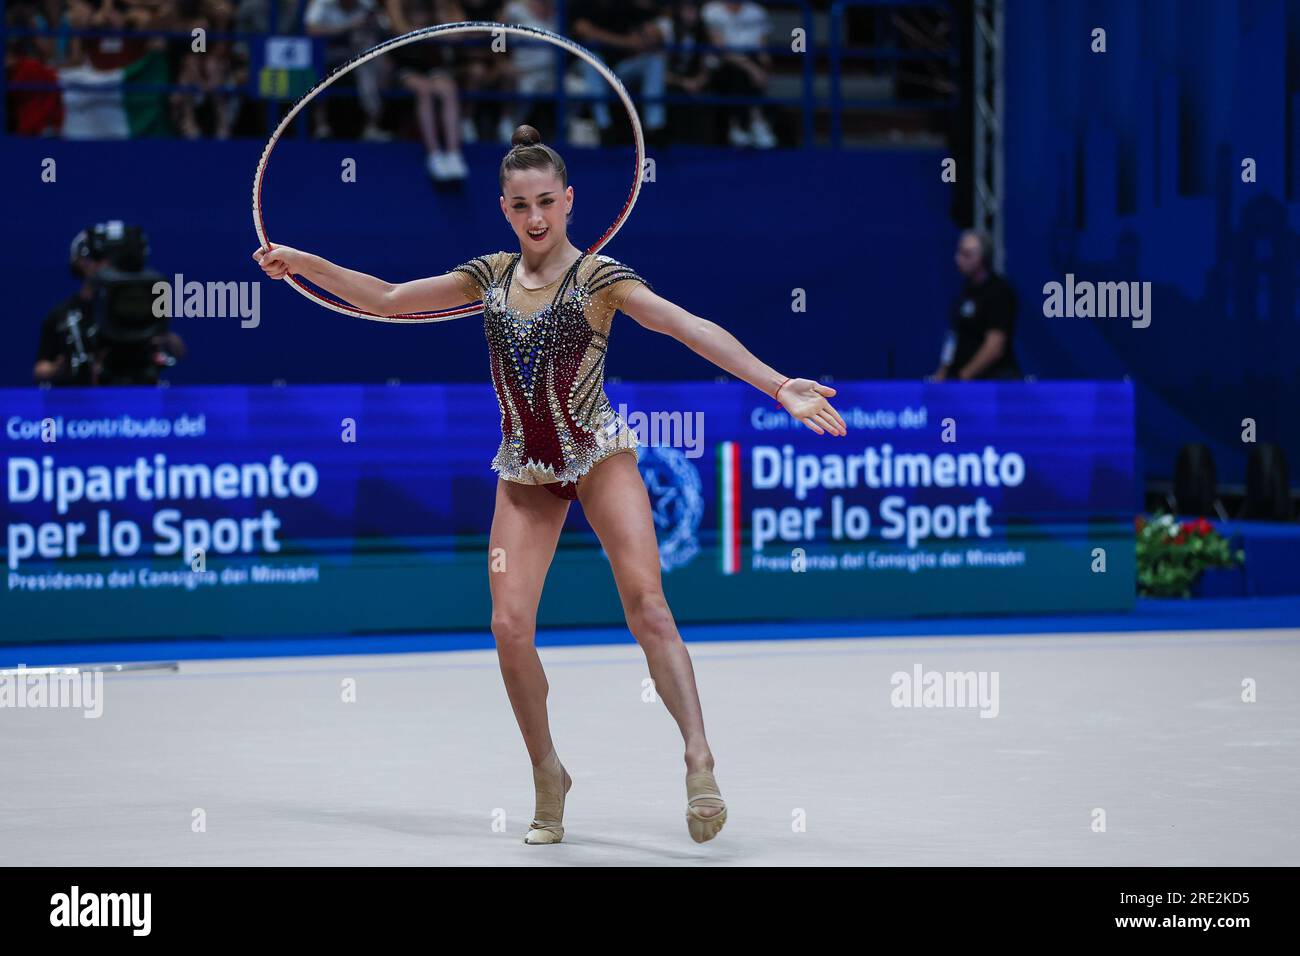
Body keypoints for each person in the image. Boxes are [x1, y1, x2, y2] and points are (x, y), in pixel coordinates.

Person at [252, 124, 847, 845]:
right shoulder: (488, 277)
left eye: (546, 203)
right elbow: (385, 298)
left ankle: (698, 759)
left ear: (569, 201)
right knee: (508, 627)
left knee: (648, 605)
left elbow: (689, 328)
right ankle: (547, 773)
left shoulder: (600, 278)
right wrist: (302, 261)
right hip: (526, 471)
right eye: (520, 206)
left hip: (597, 455)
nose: (535, 219)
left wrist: (779, 384)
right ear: (504, 209)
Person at [570, 0, 668, 146]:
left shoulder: (626, 5)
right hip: (587, 69)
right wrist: (626, 42)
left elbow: (653, 34)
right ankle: (604, 127)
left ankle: (655, 127)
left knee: (655, 61)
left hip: (619, 70)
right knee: (592, 59)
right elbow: (584, 30)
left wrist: (653, 33)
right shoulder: (581, 4)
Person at [931, 229, 1022, 381]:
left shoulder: (999, 292)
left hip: (991, 384)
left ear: (983, 258)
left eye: (966, 254)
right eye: (959, 253)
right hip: (962, 384)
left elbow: (995, 346)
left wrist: (963, 377)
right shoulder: (963, 293)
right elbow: (953, 338)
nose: (958, 259)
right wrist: (943, 372)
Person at [701, 0, 777, 148]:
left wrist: (765, 67)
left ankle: (741, 126)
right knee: (737, 72)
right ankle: (754, 120)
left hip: (752, 60)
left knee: (747, 72)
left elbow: (762, 49)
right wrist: (752, 69)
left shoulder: (757, 12)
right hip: (723, 62)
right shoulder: (711, 11)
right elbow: (721, 49)